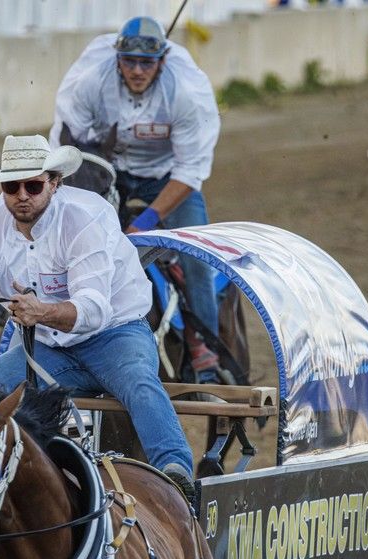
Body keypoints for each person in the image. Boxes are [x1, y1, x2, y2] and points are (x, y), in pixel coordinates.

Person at [0, 134, 196, 498]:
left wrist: (40, 312)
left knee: (139, 382)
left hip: (116, 334)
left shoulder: (85, 218)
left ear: (55, 183)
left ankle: (176, 475)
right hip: (49, 349)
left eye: (33, 184)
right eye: (12, 186)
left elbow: (93, 310)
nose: (22, 195)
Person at [49, 16, 223, 383]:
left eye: (147, 62)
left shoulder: (187, 93)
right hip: (109, 168)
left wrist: (143, 223)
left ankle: (205, 346)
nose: (138, 70)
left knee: (197, 254)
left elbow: (190, 172)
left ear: (162, 60)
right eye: (129, 61)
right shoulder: (89, 82)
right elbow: (65, 148)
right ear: (117, 59)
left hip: (168, 176)